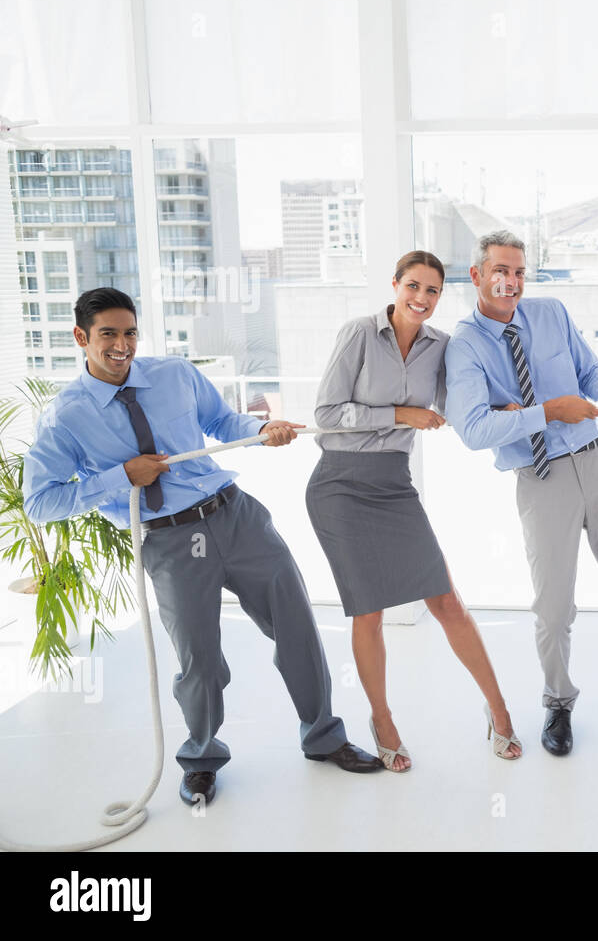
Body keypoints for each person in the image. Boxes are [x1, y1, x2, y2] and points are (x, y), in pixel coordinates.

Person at [23, 287, 383, 808]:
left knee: (297, 623)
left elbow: (222, 422)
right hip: (170, 539)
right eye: (108, 334)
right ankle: (201, 759)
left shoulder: (175, 374)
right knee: (200, 659)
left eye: (129, 332)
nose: (122, 345)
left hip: (235, 514)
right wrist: (119, 476)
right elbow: (40, 503)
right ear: (81, 338)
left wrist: (262, 427)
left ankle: (324, 737)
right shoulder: (65, 418)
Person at [444, 230, 598, 756]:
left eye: (518, 271)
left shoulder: (551, 312)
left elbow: (589, 372)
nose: (511, 282)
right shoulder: (464, 345)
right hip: (542, 479)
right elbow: (472, 431)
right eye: (500, 271)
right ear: (476, 276)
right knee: (553, 608)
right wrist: (548, 412)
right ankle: (558, 703)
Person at [307, 250, 522, 771]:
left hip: (392, 485)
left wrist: (500, 409)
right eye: (413, 286)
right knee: (369, 612)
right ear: (395, 284)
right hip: (338, 485)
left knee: (446, 601)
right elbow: (325, 414)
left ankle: (499, 712)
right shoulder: (359, 333)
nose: (421, 299)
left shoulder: (440, 347)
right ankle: (382, 719)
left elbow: (456, 403)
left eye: (432, 291)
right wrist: (399, 413)